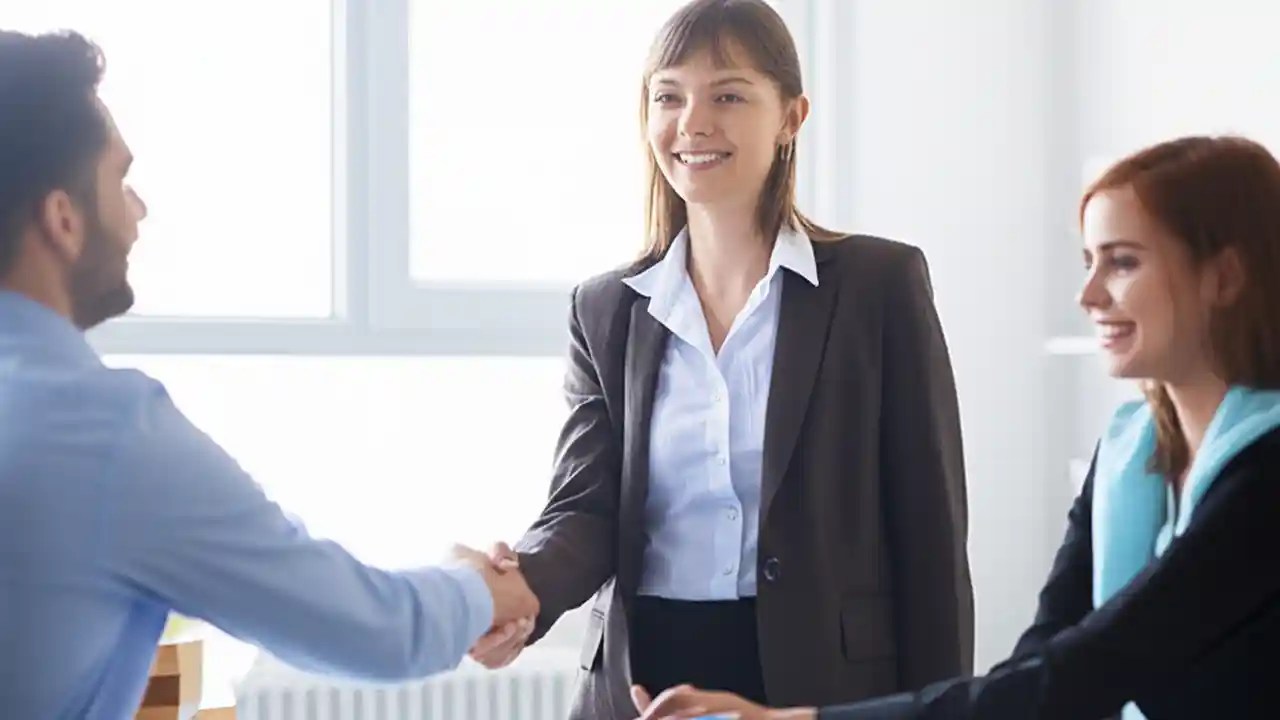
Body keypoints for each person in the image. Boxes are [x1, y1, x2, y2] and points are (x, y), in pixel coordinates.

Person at [631, 134, 1280, 720]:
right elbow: (1045, 656)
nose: (1089, 297)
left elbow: (1097, 666)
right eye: (1089, 261)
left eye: (1123, 262)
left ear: (1223, 277)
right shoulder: (1128, 449)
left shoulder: (1267, 469)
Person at [0, 29, 538, 719]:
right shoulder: (101, 435)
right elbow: (367, 627)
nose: (138, 213)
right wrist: (478, 590)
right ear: (62, 220)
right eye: (121, 181)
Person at [465, 1, 974, 717]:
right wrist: (518, 594)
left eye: (728, 95)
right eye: (668, 96)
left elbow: (930, 535)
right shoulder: (607, 308)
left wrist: (945, 708)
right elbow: (586, 507)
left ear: (792, 117)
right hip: (641, 678)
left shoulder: (875, 286)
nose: (692, 123)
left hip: (823, 682)